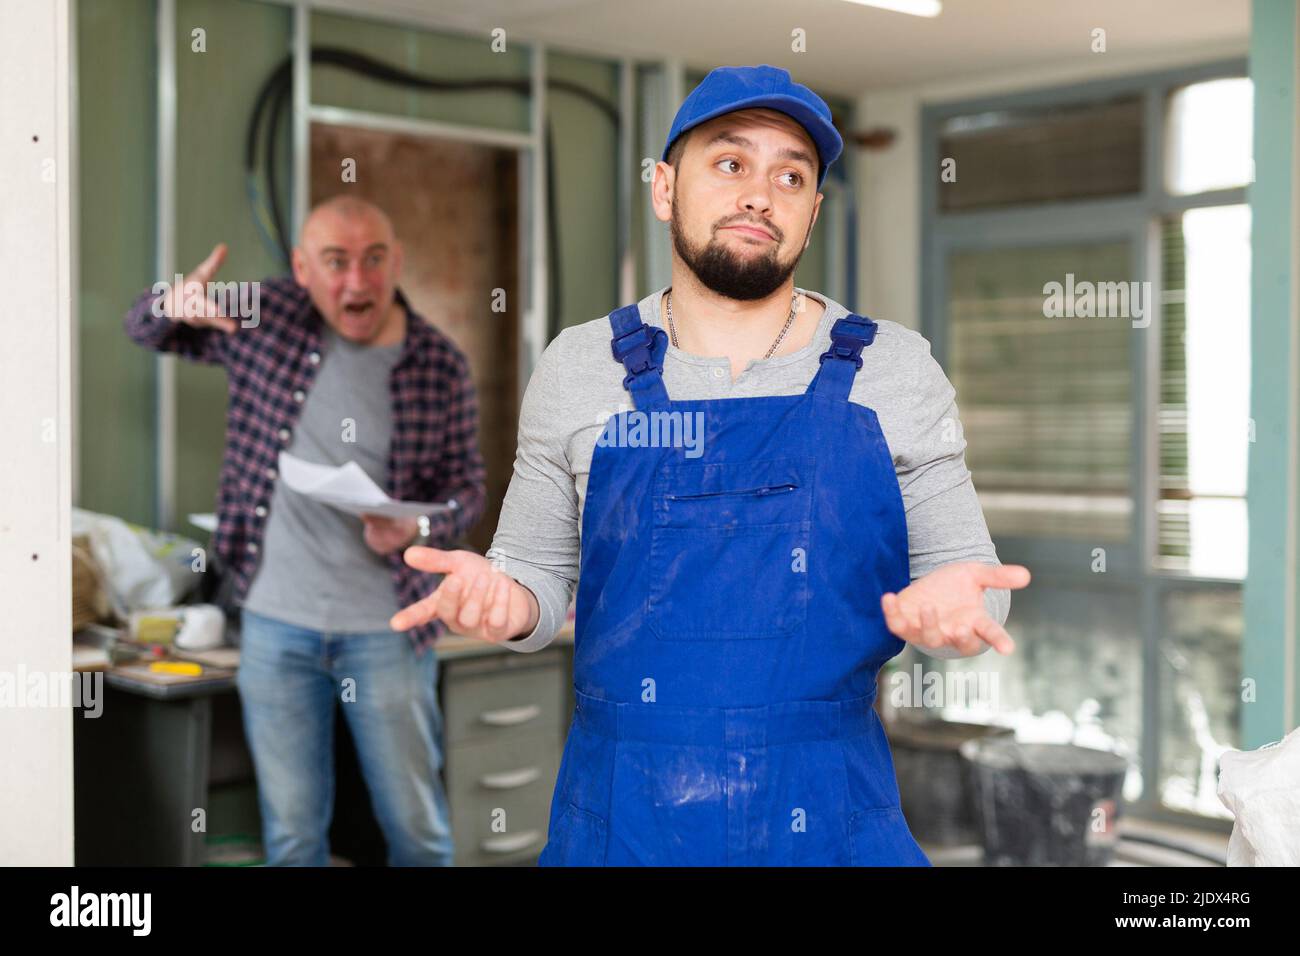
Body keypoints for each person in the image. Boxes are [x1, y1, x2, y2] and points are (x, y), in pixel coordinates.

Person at [389, 65, 1030, 866]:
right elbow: (537, 584)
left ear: (812, 211)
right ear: (664, 188)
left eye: (790, 175)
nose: (760, 193)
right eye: (730, 164)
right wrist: (500, 600)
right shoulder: (579, 367)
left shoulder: (893, 369)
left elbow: (974, 591)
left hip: (828, 818)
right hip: (623, 823)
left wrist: (956, 609)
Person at [123, 196, 486, 866]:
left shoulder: (439, 363)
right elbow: (143, 327)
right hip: (273, 625)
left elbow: (468, 488)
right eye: (335, 261)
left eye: (374, 259)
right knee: (292, 836)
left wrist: (419, 522)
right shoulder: (264, 312)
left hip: (390, 628)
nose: (357, 281)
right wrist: (170, 301)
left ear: (396, 261)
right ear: (301, 268)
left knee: (416, 828)